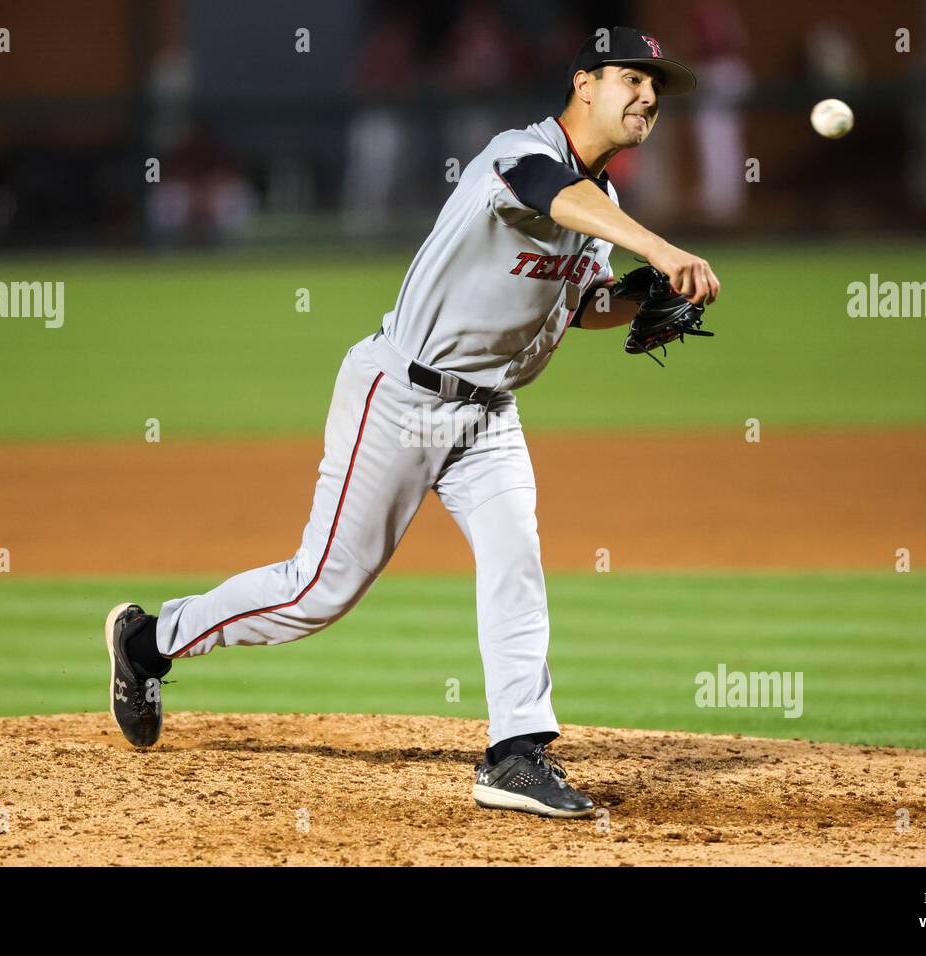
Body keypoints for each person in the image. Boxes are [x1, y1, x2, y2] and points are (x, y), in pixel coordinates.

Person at [104, 26, 720, 819]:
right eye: (633, 79)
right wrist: (661, 249)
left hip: (489, 414)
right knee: (318, 590)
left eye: (656, 88)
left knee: (515, 562)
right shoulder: (521, 154)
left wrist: (640, 297)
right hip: (399, 397)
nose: (647, 97)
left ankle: (515, 753)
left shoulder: (603, 207)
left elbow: (574, 308)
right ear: (583, 84)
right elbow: (548, 194)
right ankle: (150, 641)